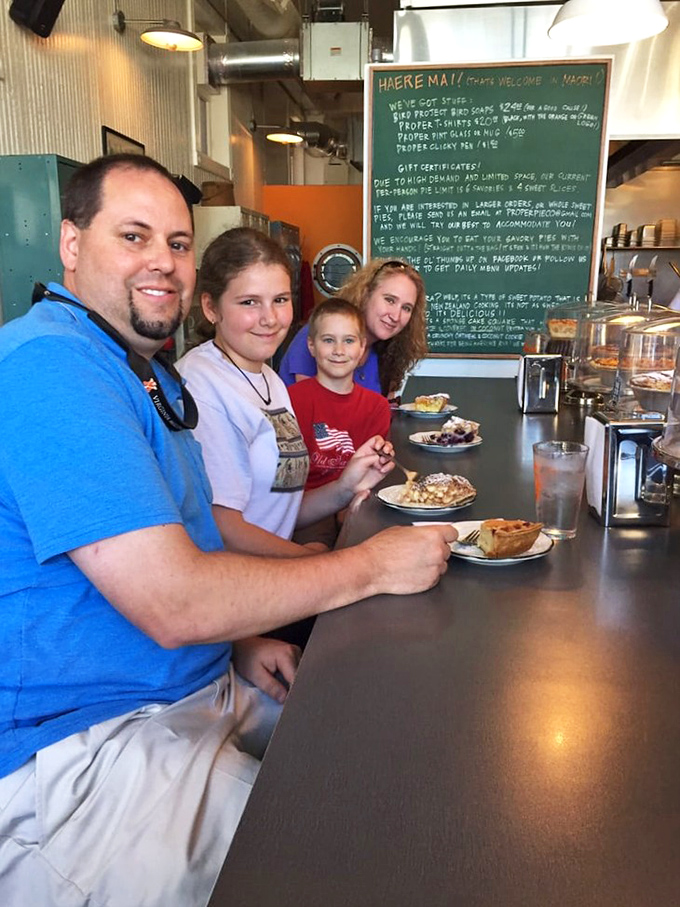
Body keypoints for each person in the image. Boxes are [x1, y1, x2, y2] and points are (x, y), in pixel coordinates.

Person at [0, 153, 456, 907]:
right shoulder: (53, 366)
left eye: (177, 243)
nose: (163, 263)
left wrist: (238, 641)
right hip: (82, 748)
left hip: (193, 689)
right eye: (134, 236)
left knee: (390, 761)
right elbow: (174, 599)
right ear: (71, 245)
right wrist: (368, 566)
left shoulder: (144, 371)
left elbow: (181, 547)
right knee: (341, 855)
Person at [176, 229, 393, 561]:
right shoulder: (202, 386)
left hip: (275, 565)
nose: (270, 319)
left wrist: (345, 487)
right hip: (242, 585)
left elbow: (280, 510)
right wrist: (322, 565)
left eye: (280, 300)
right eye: (249, 302)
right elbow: (224, 530)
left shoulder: (269, 379)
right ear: (210, 307)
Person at [278, 257, 428, 397]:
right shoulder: (319, 335)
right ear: (365, 294)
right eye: (389, 300)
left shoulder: (386, 353)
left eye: (406, 308)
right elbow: (317, 413)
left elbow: (385, 410)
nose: (396, 316)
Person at [288, 296, 392, 491]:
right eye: (328, 340)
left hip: (354, 505)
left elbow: (367, 477)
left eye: (349, 341)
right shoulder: (288, 401)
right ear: (311, 345)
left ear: (362, 347)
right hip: (301, 511)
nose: (339, 350)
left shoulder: (377, 407)